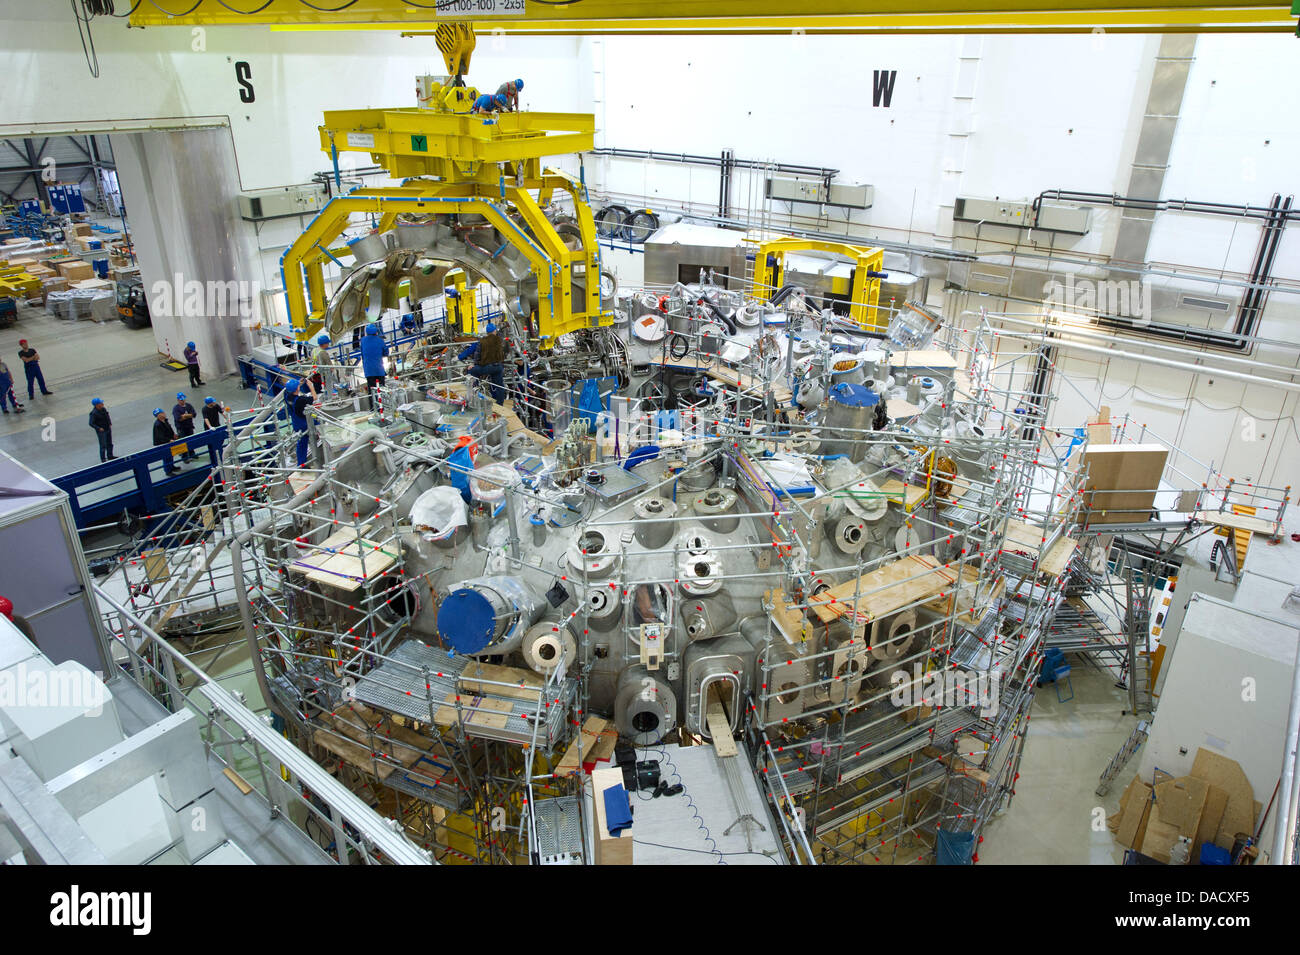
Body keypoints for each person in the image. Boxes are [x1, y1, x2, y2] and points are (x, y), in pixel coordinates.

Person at [457, 322, 507, 403]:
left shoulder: (482, 341)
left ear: (487, 332)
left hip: (487, 367)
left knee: (472, 372)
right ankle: (500, 403)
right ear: (495, 331)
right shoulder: (500, 340)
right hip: (498, 367)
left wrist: (474, 365)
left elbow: (477, 355)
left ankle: (476, 396)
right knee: (499, 385)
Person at [285, 377, 317, 468]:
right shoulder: (301, 400)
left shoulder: (287, 396)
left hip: (296, 423)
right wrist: (311, 387)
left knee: (301, 444)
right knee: (320, 424)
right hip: (305, 424)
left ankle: (301, 464)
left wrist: (299, 383)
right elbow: (315, 397)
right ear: (297, 389)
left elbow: (290, 389)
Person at [359, 323, 388, 401]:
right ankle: (383, 406)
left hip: (369, 370)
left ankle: (373, 408)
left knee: (371, 391)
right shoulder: (380, 340)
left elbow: (362, 353)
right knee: (381, 390)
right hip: (379, 369)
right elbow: (386, 352)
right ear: (376, 332)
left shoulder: (363, 340)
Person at [172, 392, 198, 462]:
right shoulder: (176, 409)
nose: (183, 401)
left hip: (189, 427)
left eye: (184, 400)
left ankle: (192, 453)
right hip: (181, 428)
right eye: (181, 400)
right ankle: (184, 457)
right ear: (178, 400)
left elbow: (194, 414)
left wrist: (184, 416)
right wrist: (188, 415)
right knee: (183, 443)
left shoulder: (188, 406)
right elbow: (178, 419)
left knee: (191, 440)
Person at [152, 409, 178, 475]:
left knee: (171, 455)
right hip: (163, 443)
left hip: (169, 441)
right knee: (166, 457)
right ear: (158, 416)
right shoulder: (158, 425)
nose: (164, 414)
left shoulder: (165, 420)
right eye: (161, 413)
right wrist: (169, 440)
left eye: (163, 412)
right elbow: (160, 437)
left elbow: (169, 428)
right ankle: (168, 471)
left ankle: (171, 466)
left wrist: (173, 435)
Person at [88, 397, 114, 462]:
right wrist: (99, 428)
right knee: (103, 445)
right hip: (101, 431)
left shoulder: (103, 409)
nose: (102, 403)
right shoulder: (94, 413)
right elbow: (91, 423)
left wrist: (109, 423)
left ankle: (110, 456)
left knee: (109, 443)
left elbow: (107, 416)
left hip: (107, 428)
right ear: (97, 405)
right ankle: (103, 459)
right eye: (101, 403)